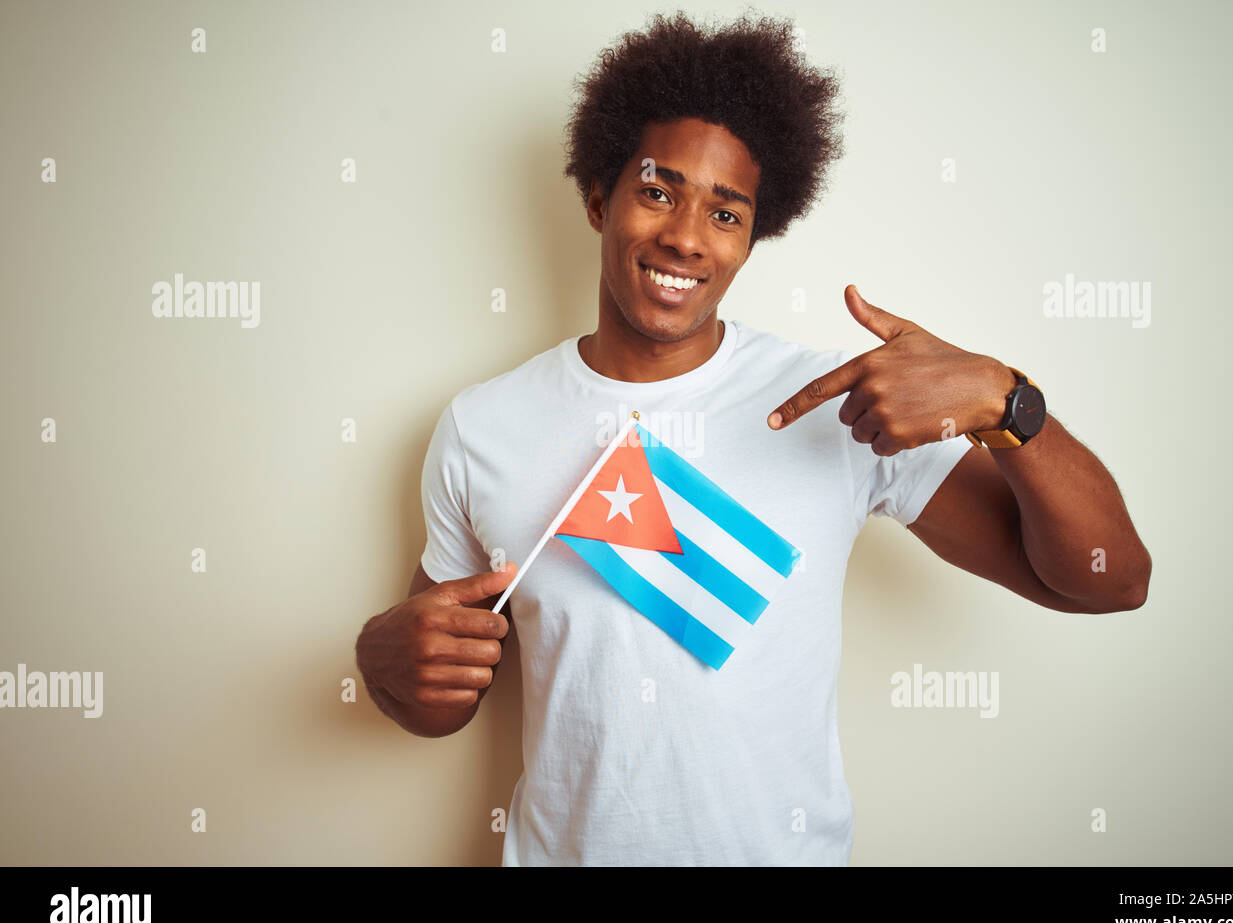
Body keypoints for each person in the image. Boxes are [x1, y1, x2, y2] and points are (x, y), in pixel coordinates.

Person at [355, 10, 1151, 866]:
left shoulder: (843, 404)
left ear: (752, 238)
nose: (686, 237)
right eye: (658, 191)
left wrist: (1007, 401)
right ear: (599, 199)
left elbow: (1110, 581)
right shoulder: (485, 425)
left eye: (725, 213)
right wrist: (380, 660)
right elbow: (441, 697)